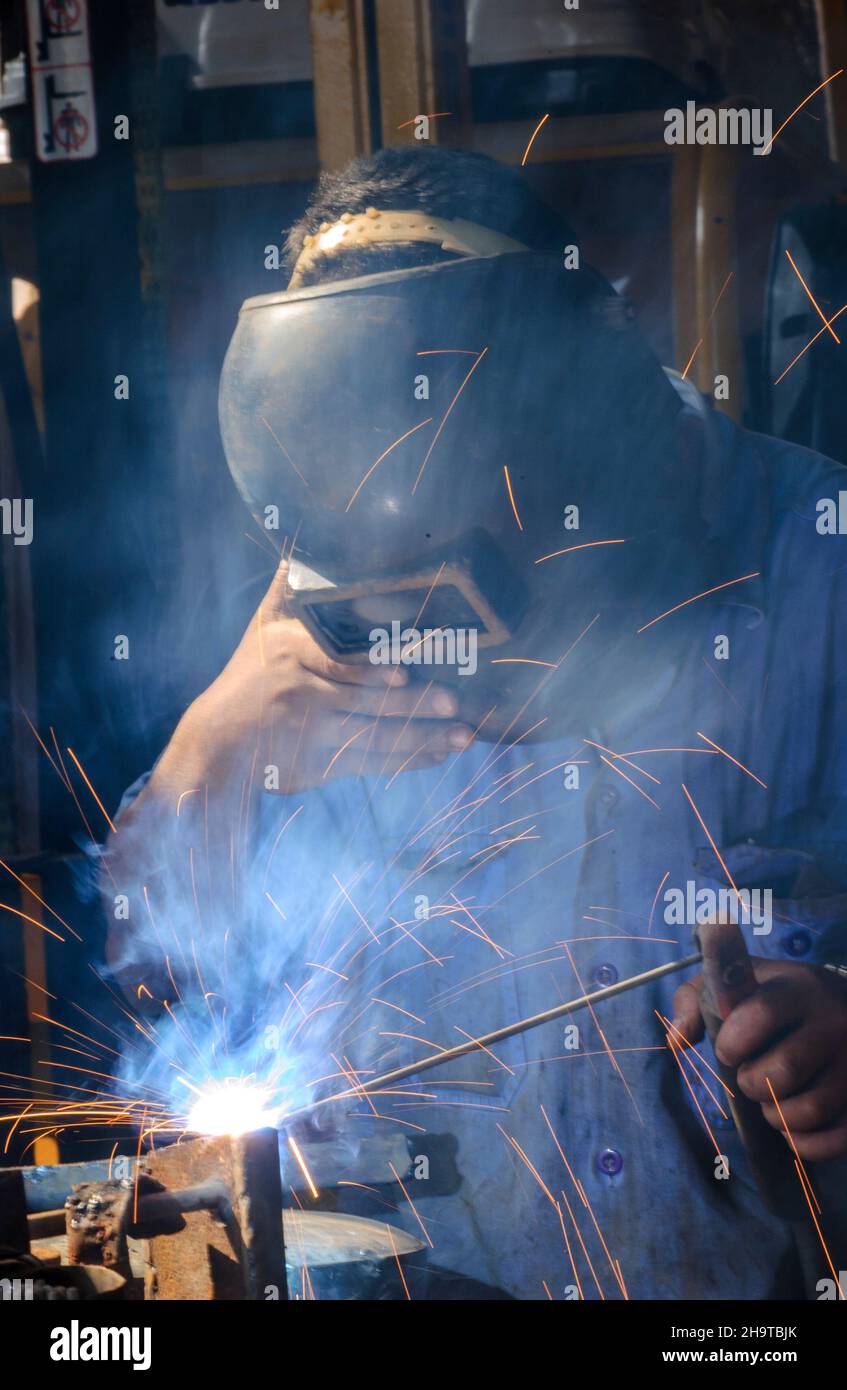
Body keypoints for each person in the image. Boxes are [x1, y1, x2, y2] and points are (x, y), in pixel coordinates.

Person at [103, 147, 847, 1300]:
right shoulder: (318, 635)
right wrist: (208, 758)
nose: (451, 659)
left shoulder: (826, 576)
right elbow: (159, 1003)